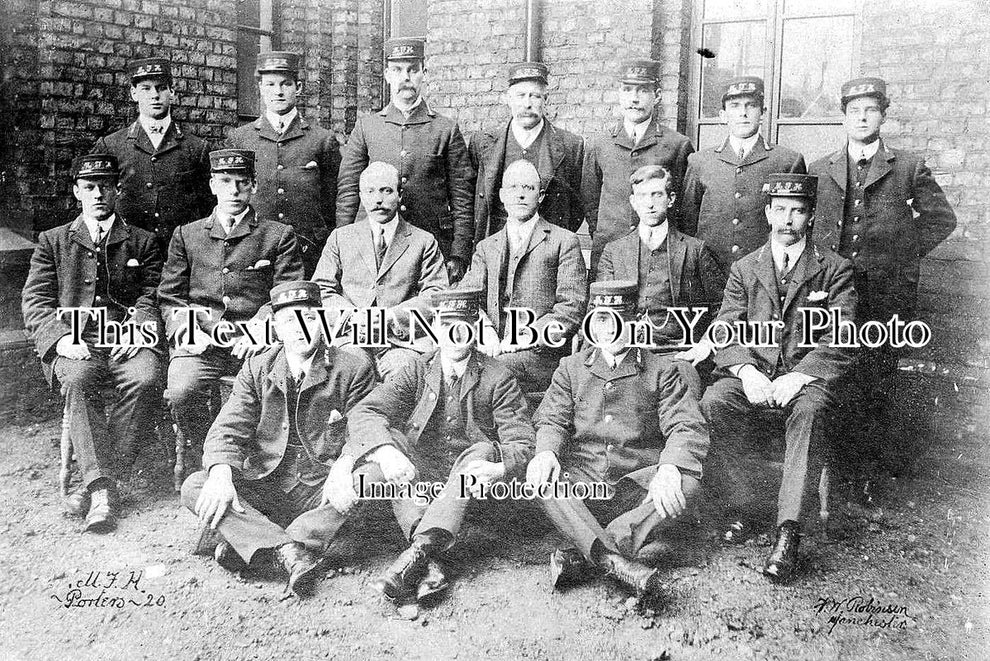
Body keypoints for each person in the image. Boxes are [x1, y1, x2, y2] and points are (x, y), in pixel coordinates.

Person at [698, 174, 857, 583]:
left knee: (810, 413)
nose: (788, 220)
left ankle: (788, 531)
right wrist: (747, 371)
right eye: (780, 210)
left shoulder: (834, 269)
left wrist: (799, 376)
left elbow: (841, 336)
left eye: (798, 211)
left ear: (811, 216)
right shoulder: (744, 268)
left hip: (805, 379)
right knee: (715, 402)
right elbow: (725, 329)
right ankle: (742, 507)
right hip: (755, 372)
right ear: (768, 213)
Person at [329, 287, 534, 603]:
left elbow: (522, 442)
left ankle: (417, 555)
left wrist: (498, 468)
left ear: (476, 329)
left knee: (482, 451)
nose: (455, 335)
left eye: (464, 326)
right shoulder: (417, 368)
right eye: (447, 325)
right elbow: (366, 411)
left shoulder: (498, 376)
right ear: (435, 328)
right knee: (390, 446)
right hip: (421, 479)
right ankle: (425, 557)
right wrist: (386, 452)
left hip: (471, 490)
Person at [180, 281, 377, 596]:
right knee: (196, 485)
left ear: (323, 322)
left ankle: (258, 544)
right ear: (276, 328)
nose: (301, 328)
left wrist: (346, 462)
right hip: (268, 485)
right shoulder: (257, 367)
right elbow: (228, 427)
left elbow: (367, 426)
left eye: (309, 318)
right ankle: (289, 552)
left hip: (321, 490)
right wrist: (221, 474)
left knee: (373, 478)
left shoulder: (353, 367)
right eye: (290, 321)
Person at [808, 77, 956, 474]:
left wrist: (901, 253)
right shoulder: (820, 169)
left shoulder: (907, 167)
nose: (861, 117)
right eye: (854, 110)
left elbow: (942, 219)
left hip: (885, 297)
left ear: (883, 116)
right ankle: (829, 471)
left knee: (875, 380)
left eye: (870, 110)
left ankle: (866, 476)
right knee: (828, 375)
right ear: (843, 117)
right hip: (831, 297)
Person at [526, 281, 710, 598]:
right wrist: (546, 453)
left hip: (637, 489)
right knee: (543, 480)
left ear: (635, 322)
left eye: (619, 320)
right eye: (601, 319)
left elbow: (685, 424)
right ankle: (615, 561)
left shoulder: (662, 370)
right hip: (586, 485)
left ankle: (589, 554)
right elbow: (551, 418)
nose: (609, 329)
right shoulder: (571, 368)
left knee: (687, 483)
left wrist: (669, 468)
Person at [22, 153, 164, 532]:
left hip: (126, 339)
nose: (98, 194)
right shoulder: (53, 241)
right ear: (76, 192)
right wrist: (60, 339)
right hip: (76, 341)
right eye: (89, 187)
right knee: (78, 380)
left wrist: (139, 328)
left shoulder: (142, 241)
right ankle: (102, 488)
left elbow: (153, 293)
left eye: (105, 187)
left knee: (147, 378)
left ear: (117, 191)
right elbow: (35, 300)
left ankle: (99, 480)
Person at [159, 149, 304, 464]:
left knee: (276, 387)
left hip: (256, 343)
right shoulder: (187, 235)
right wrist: (188, 331)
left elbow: (288, 296)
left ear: (254, 186)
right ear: (213, 185)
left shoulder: (278, 235)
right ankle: (203, 456)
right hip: (202, 343)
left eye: (242, 182)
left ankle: (255, 462)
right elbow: (170, 297)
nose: (234, 191)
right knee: (182, 389)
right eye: (225, 181)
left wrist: (262, 328)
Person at [335, 37, 474, 282]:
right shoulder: (367, 128)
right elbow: (348, 192)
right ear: (387, 75)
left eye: (412, 70)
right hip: (375, 244)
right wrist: (343, 245)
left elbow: (462, 197)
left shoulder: (445, 129)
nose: (405, 77)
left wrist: (459, 253)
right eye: (398, 70)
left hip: (431, 246)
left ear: (424, 74)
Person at [459, 159, 588, 393]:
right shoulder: (486, 247)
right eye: (513, 188)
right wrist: (484, 330)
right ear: (501, 195)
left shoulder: (564, 241)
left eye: (528, 188)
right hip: (491, 349)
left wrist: (527, 336)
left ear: (540, 196)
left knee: (484, 372)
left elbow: (571, 308)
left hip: (540, 356)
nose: (520, 195)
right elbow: (466, 299)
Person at [312, 162, 449, 380]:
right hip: (351, 338)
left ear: (399, 195)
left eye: (386, 191)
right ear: (361, 196)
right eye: (370, 191)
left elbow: (436, 295)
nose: (378, 199)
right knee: (349, 368)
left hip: (402, 342)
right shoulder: (341, 237)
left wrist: (390, 318)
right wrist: (354, 317)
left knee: (405, 373)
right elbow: (321, 289)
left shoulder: (424, 241)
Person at [596, 165, 725, 388]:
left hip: (678, 354)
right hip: (626, 351)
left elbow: (722, 308)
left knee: (684, 389)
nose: (650, 203)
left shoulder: (695, 250)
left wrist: (705, 345)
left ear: (671, 199)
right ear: (633, 202)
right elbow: (598, 310)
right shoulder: (614, 251)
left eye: (657, 195)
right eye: (642, 196)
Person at [225, 52, 340, 276]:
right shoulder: (241, 139)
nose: (278, 91)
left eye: (286, 84)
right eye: (270, 84)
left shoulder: (322, 140)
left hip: (307, 249)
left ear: (298, 88)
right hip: (255, 247)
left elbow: (332, 199)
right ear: (260, 87)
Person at [681, 76, 806, 273]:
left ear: (763, 113)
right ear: (723, 115)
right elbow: (687, 224)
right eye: (735, 106)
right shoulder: (700, 162)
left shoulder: (787, 161)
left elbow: (797, 228)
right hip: (710, 272)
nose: (743, 113)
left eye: (751, 105)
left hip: (765, 273)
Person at [583, 59, 694, 271]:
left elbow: (685, 207)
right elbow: (590, 201)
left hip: (659, 254)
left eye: (643, 90)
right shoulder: (598, 144)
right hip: (610, 253)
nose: (634, 98)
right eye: (627, 90)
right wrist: (604, 234)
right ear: (619, 94)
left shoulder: (677, 145)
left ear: (657, 96)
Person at [93, 57, 211, 254]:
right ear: (134, 93)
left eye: (161, 88)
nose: (155, 95)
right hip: (127, 252)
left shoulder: (196, 148)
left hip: (178, 255)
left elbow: (208, 209)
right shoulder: (111, 145)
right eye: (146, 89)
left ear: (172, 92)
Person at [471, 62, 585, 240]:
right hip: (494, 245)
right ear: (508, 99)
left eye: (535, 96)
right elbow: (471, 201)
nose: (527, 104)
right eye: (521, 95)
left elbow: (577, 208)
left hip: (547, 246)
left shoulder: (570, 146)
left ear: (546, 99)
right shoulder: (483, 143)